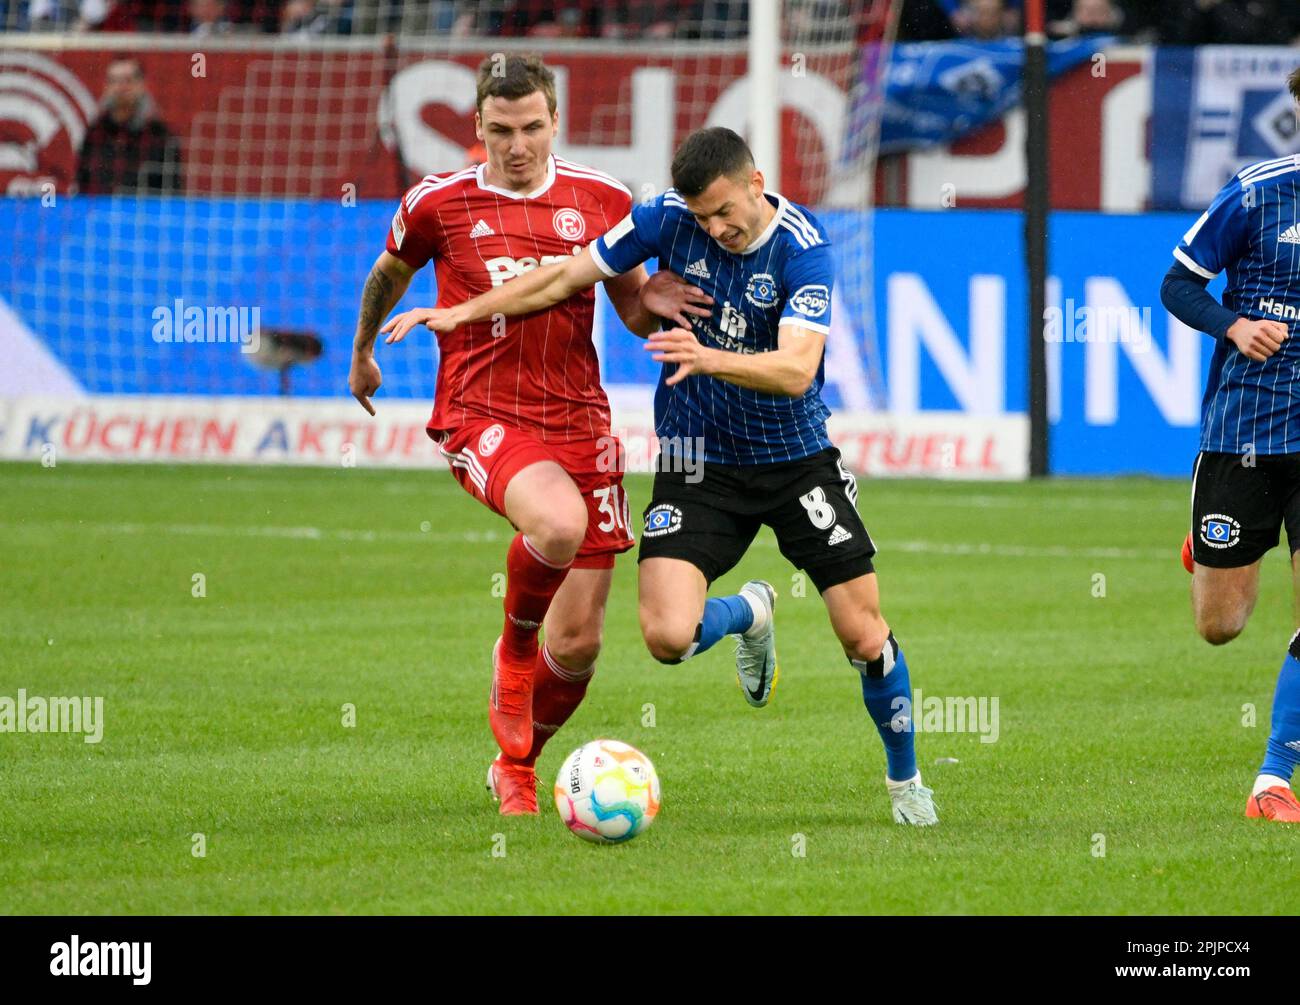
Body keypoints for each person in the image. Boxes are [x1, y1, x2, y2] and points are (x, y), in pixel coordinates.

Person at [383, 126, 941, 826]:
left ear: (756, 183)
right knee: (666, 637)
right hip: (694, 459)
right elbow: (564, 275)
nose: (714, 228)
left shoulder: (804, 248)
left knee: (862, 634)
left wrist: (707, 358)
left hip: (794, 460)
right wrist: (464, 311)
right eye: (702, 216)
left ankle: (905, 780)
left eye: (724, 213)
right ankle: (751, 612)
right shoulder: (664, 222)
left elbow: (798, 369)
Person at [347, 54, 704, 815]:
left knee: (578, 645)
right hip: (482, 410)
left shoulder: (602, 198)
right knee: (557, 522)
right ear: (476, 126)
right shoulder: (437, 202)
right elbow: (389, 272)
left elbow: (633, 310)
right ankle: (512, 655)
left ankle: (517, 765)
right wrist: (363, 353)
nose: (518, 145)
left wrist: (657, 300)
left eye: (532, 127)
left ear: (555, 123)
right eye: (501, 130)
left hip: (581, 419)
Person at [1162, 67, 1300, 823]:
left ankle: (1273, 778)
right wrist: (1234, 327)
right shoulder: (1257, 192)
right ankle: (1205, 546)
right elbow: (1177, 284)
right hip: (1243, 436)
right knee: (1222, 626)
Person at [75, 58, 182, 195]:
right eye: (115, 81)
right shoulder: (95, 133)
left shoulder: (161, 136)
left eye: (128, 80)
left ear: (142, 85)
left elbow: (170, 191)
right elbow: (82, 183)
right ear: (106, 86)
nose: (121, 87)